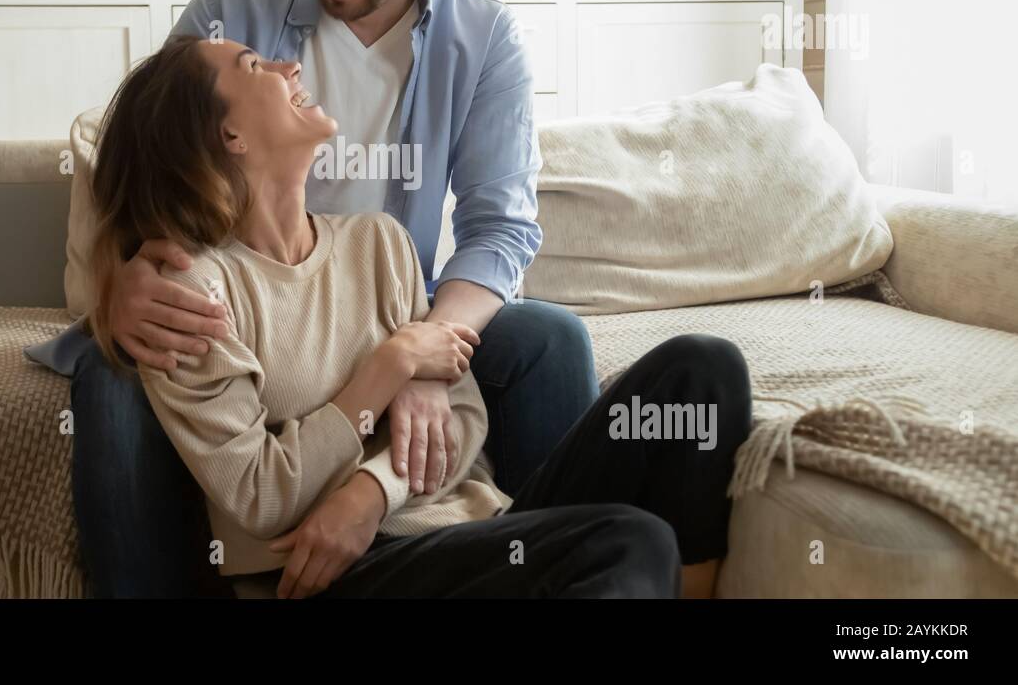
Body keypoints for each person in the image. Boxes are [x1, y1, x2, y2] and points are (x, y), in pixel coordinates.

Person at [31, 0, 604, 596]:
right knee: (112, 369)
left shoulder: (483, 40)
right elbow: (151, 162)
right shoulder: (230, 12)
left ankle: (544, 564)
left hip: (389, 309)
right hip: (254, 320)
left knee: (549, 340)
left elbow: (499, 230)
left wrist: (426, 357)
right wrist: (119, 280)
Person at [85, 33, 753, 598]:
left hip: (462, 534)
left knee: (702, 371)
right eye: (256, 68)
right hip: (338, 576)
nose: (290, 67)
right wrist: (392, 363)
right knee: (629, 541)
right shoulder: (191, 299)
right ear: (228, 133)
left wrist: (369, 491)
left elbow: (461, 419)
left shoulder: (378, 243)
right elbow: (263, 496)